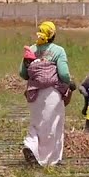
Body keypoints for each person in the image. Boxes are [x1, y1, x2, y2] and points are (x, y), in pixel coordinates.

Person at [20, 21, 75, 165]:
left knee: (36, 123)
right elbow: (64, 74)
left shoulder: (31, 49)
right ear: (53, 35)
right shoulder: (58, 51)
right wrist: (69, 82)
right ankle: (50, 160)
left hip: (34, 92)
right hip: (52, 93)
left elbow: (23, 73)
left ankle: (30, 145)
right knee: (53, 125)